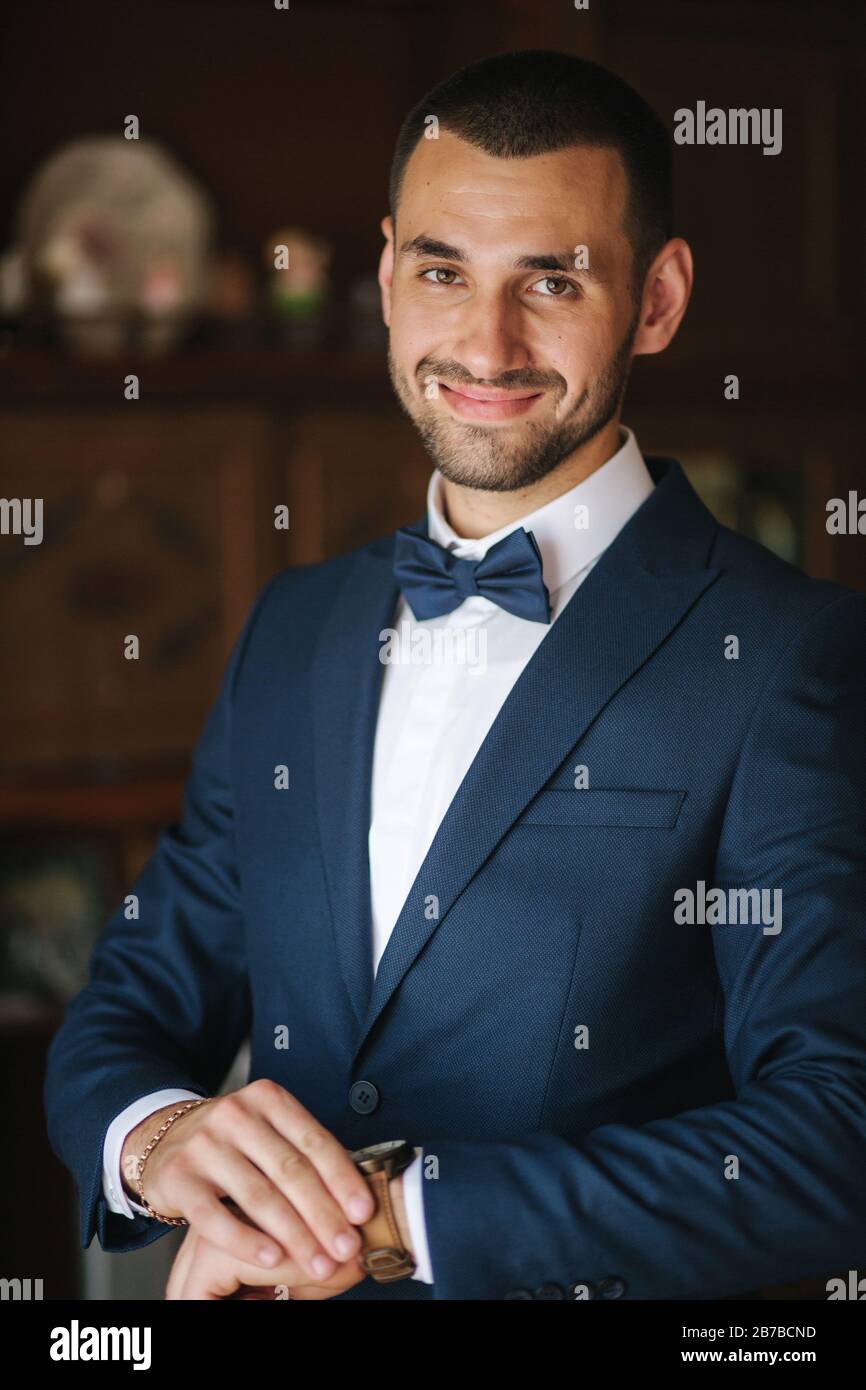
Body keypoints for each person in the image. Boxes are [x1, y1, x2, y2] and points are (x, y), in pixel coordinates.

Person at [45, 49, 866, 1301]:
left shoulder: (793, 659)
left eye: (550, 279)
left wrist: (383, 1223)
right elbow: (138, 988)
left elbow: (832, 1144)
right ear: (384, 278)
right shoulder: (293, 626)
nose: (483, 342)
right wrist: (159, 1141)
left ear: (656, 298)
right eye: (441, 272)